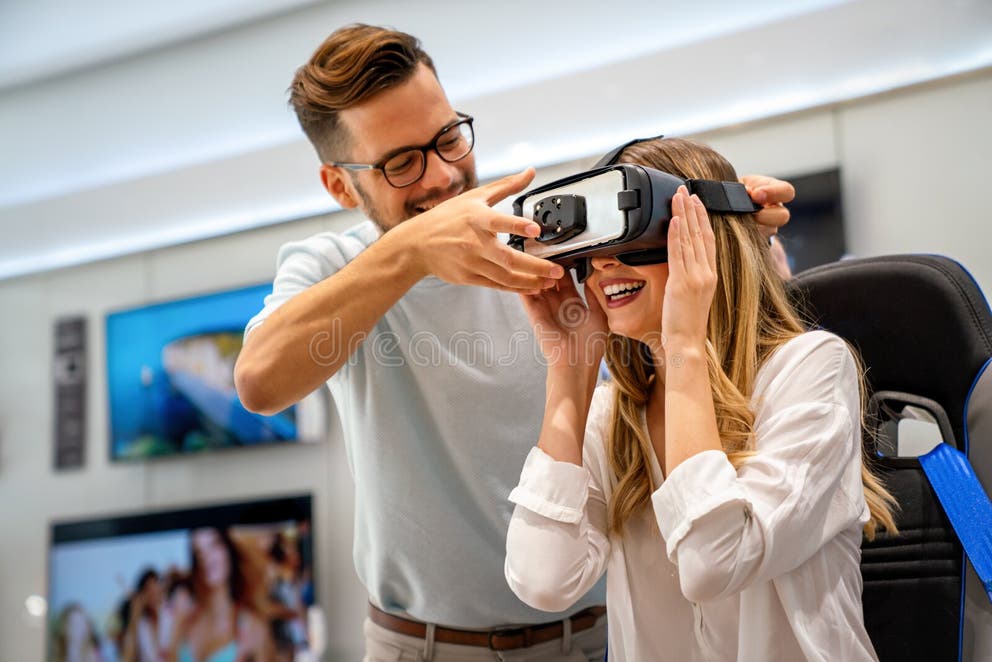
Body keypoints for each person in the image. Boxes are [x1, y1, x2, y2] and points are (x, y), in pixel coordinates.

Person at [233, 23, 796, 661]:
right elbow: (259, 382)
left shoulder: (542, 233)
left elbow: (702, 329)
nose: (443, 176)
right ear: (340, 185)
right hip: (422, 648)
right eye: (401, 163)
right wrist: (411, 252)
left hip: (597, 637)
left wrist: (726, 220)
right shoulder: (331, 269)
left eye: (448, 138)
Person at [504, 136, 897, 661]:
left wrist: (683, 348)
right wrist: (569, 374)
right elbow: (542, 581)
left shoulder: (810, 370)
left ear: (706, 239)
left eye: (630, 236)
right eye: (590, 252)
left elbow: (713, 562)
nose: (603, 266)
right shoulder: (611, 416)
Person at [175, 527, 274, 662]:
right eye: (198, 552)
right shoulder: (185, 622)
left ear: (228, 550)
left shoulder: (252, 627)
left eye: (213, 545)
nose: (206, 558)